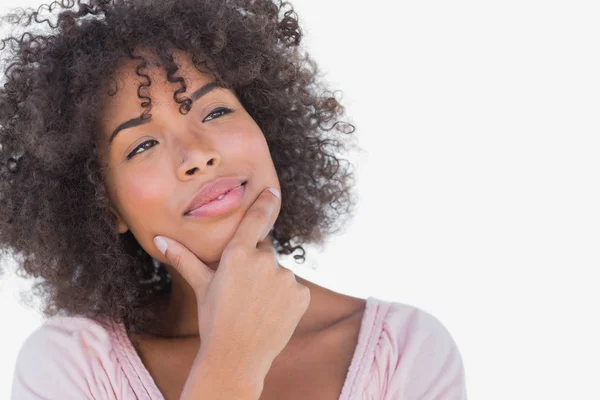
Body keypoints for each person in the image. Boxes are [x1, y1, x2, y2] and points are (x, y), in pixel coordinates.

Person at [1, 0, 467, 398]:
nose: (198, 155)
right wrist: (231, 358)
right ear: (106, 206)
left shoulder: (406, 350)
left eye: (216, 110)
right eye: (142, 145)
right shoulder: (68, 365)